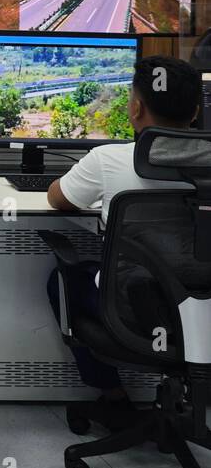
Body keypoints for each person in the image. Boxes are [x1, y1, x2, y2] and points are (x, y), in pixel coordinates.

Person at [46, 55, 201, 430]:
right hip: (202, 311)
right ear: (195, 111)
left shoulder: (110, 159)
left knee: (63, 279)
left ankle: (113, 395)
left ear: (135, 108)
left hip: (134, 309)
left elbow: (58, 199)